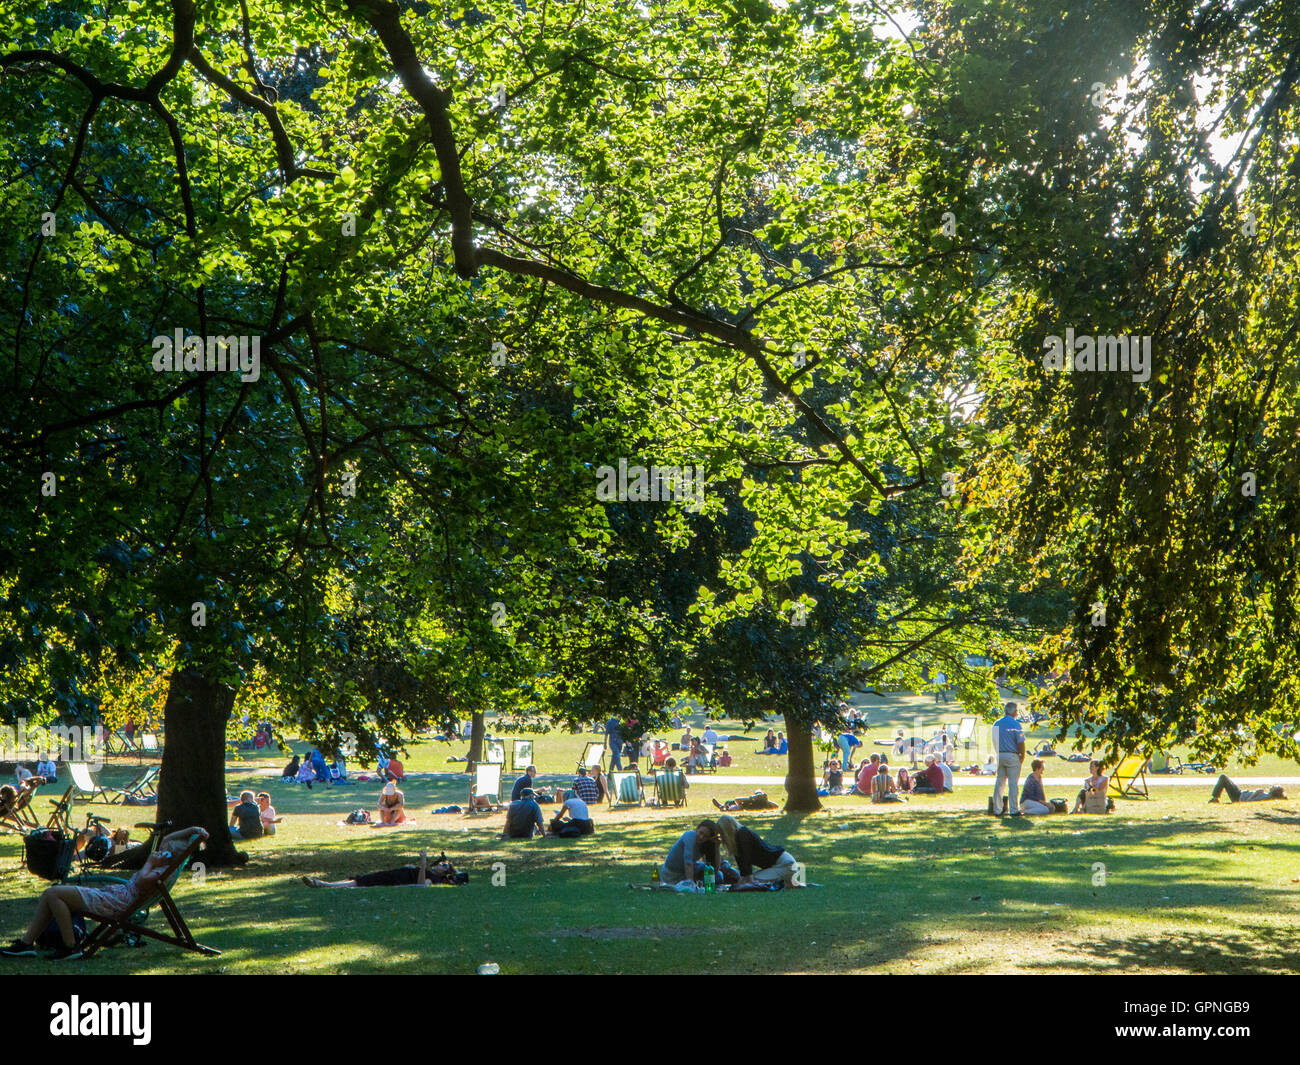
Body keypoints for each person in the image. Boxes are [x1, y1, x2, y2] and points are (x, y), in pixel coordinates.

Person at [1, 827, 208, 960]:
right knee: (50, 894)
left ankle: (71, 947)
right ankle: (26, 944)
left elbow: (144, 880)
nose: (161, 851)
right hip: (116, 895)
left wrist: (153, 861)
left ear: (173, 858)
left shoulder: (159, 871)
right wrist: (191, 830)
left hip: (117, 903)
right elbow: (169, 838)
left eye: (167, 852)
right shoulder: (165, 863)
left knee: (54, 894)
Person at [716, 814, 799, 887]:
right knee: (748, 880)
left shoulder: (742, 834)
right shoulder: (738, 837)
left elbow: (746, 859)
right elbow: (743, 866)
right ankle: (788, 882)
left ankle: (787, 881)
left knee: (753, 882)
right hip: (778, 864)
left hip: (786, 864)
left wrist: (747, 880)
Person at [303, 849, 454, 888]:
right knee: (360, 880)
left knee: (361, 881)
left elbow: (421, 884)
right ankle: (324, 884)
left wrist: (422, 863)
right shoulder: (432, 873)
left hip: (394, 879)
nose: (441, 864)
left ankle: (323, 884)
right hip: (394, 874)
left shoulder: (434, 878)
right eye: (442, 863)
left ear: (445, 873)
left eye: (444, 865)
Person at [660, 820, 721, 888]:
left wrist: (716, 847)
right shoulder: (690, 835)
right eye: (701, 833)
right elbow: (688, 862)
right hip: (671, 875)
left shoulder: (705, 844)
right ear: (697, 829)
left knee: (718, 875)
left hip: (686, 872)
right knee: (712, 877)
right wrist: (691, 884)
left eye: (706, 836)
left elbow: (714, 869)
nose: (701, 837)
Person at [991, 701, 1026, 816]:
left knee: (999, 783)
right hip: (1012, 754)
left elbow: (994, 741)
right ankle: (1013, 809)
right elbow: (1021, 742)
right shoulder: (1016, 725)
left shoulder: (996, 724)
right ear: (1015, 712)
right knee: (1012, 783)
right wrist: (1022, 756)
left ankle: (997, 808)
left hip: (1000, 754)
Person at [1208, 776, 1286, 803]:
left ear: (1275, 792)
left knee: (1223, 778)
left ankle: (1215, 798)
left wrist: (1256, 792)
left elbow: (1249, 801)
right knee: (1225, 779)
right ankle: (1215, 798)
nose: (1272, 786)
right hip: (1240, 793)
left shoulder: (1266, 797)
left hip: (1238, 797)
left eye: (1275, 787)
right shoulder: (1267, 795)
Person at [710, 790, 779, 812]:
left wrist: (766, 800)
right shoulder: (751, 800)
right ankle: (722, 806)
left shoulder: (765, 804)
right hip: (744, 806)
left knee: (738, 807)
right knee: (731, 803)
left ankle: (722, 808)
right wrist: (751, 798)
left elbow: (776, 806)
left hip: (744, 808)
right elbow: (737, 800)